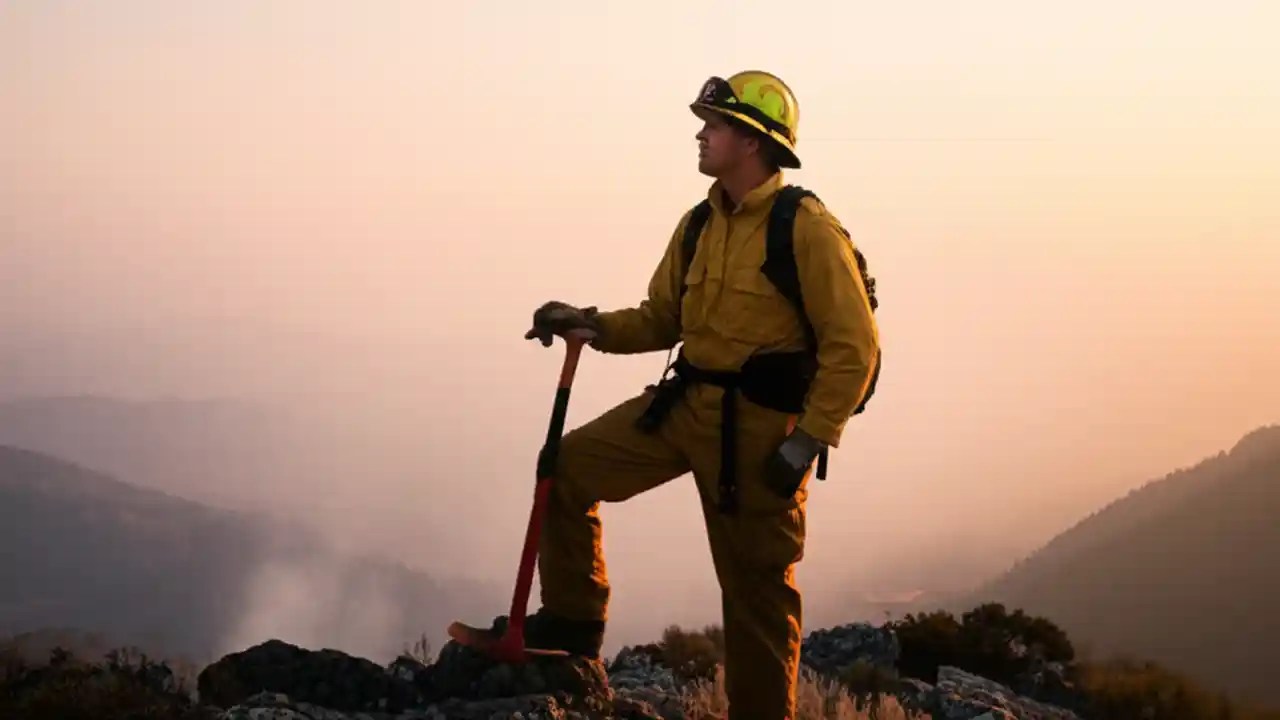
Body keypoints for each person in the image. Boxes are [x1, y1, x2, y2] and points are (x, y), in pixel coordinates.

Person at [516, 70, 880, 718]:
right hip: (685, 407)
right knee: (566, 468)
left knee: (756, 593)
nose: (700, 134)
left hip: (761, 432)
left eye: (712, 125)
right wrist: (589, 324)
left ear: (751, 141)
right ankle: (572, 625)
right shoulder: (698, 224)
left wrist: (807, 441)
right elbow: (662, 319)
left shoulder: (806, 230)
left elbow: (855, 350)